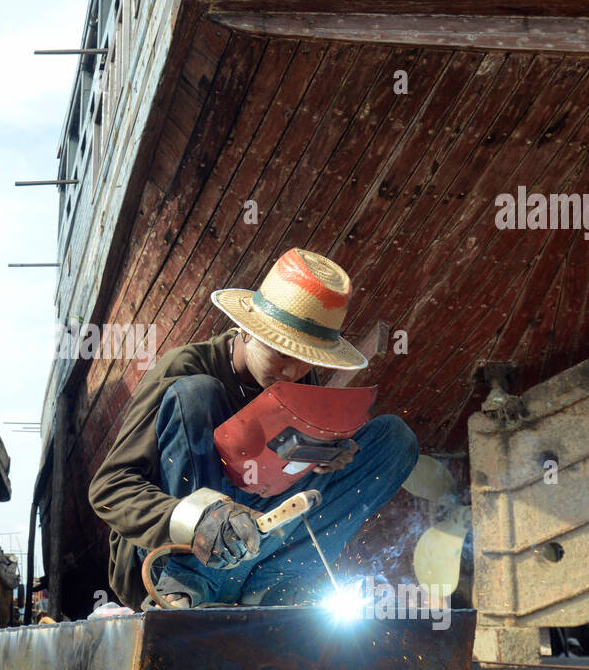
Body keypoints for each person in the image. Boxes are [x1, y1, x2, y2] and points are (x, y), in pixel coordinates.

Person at [88, 248, 419, 610]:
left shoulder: (299, 377)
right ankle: (188, 584)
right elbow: (109, 489)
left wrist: (318, 455)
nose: (292, 372)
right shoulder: (183, 369)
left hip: (258, 546)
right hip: (174, 553)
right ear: (246, 329)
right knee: (197, 394)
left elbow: (275, 469)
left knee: (393, 440)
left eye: (305, 360)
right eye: (282, 354)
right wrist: (199, 519)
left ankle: (279, 582)